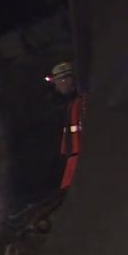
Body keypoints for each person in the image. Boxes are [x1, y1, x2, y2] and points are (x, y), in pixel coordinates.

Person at [52, 62, 85, 190]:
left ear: (66, 80)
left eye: (58, 82)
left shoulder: (80, 103)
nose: (57, 87)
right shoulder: (71, 105)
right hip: (76, 157)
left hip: (80, 157)